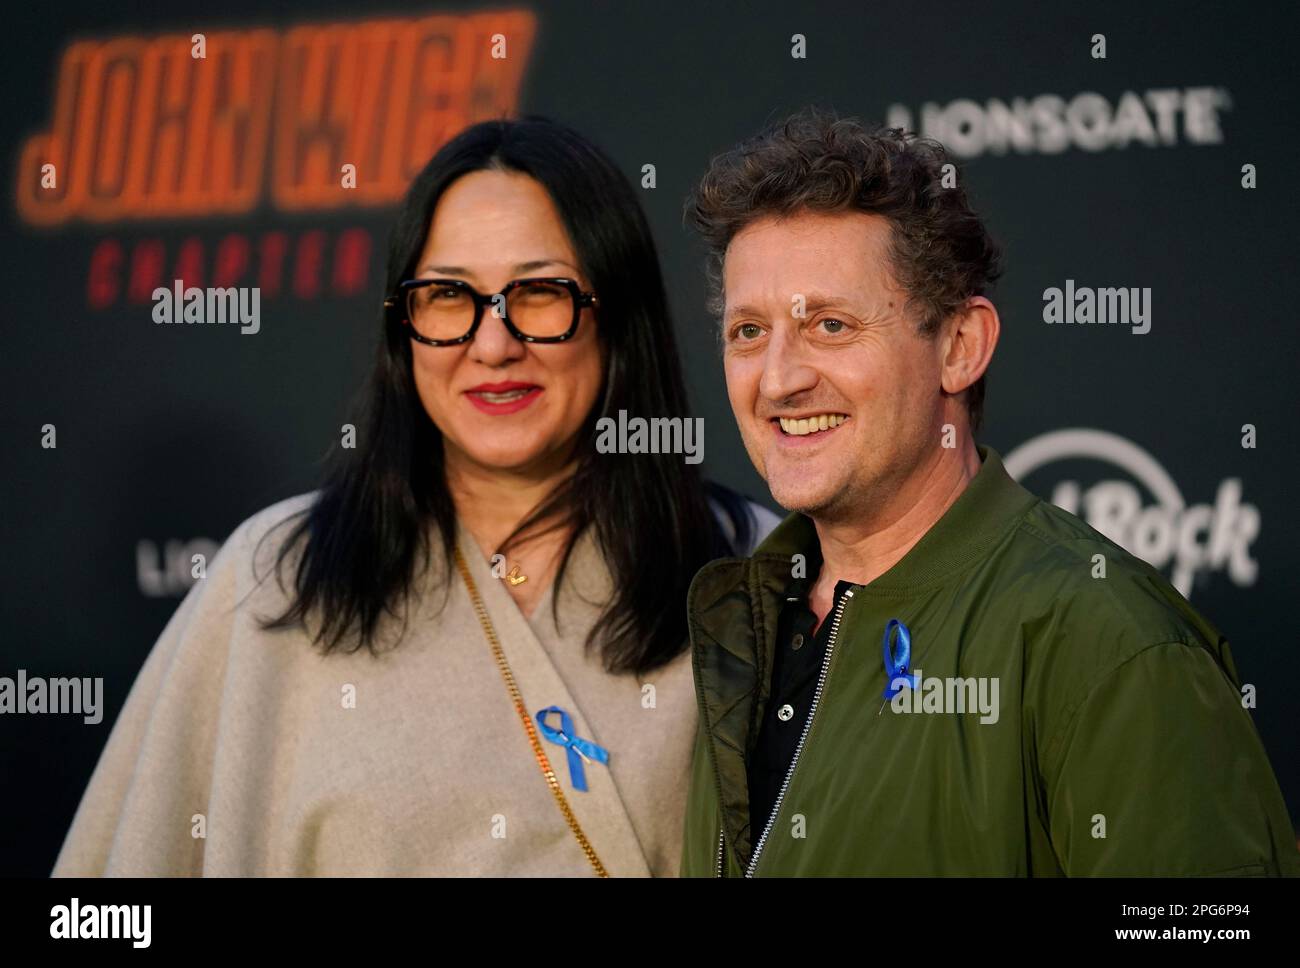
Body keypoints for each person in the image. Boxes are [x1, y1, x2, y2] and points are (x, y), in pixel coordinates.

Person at [53, 116, 776, 877]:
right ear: (402, 326)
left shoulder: (749, 569)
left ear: (617, 317)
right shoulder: (275, 576)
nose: (493, 344)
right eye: (446, 296)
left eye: (538, 293)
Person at [678, 108, 1300, 877]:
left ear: (960, 346)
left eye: (830, 326)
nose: (778, 379)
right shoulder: (744, 626)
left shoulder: (1106, 642)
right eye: (748, 333)